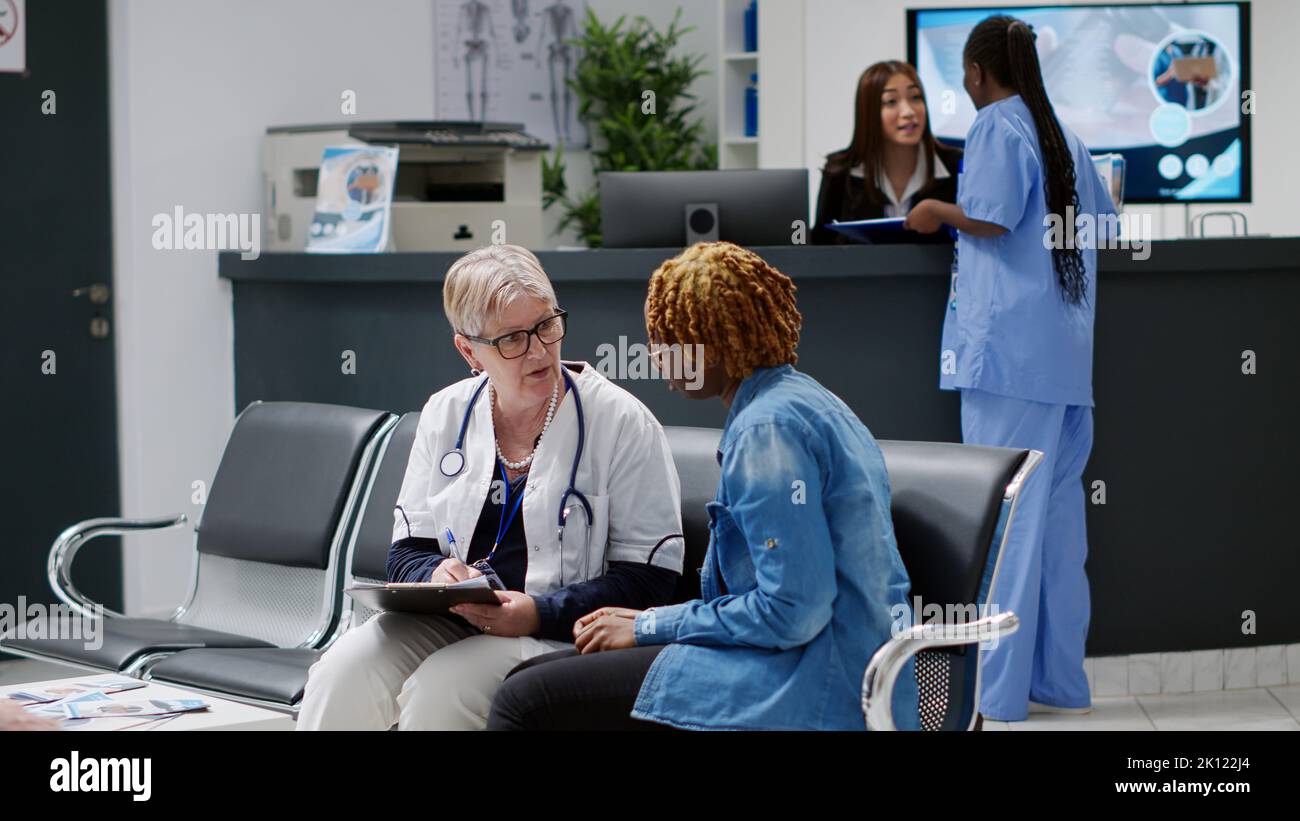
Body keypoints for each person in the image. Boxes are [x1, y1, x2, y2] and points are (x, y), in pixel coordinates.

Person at [487, 241, 921, 731]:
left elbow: (792, 611)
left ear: (712, 343)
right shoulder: (805, 402)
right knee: (533, 680)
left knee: (523, 701)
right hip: (825, 668)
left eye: (668, 338)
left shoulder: (766, 433)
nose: (654, 355)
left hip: (810, 684)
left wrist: (650, 624)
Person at [296, 244, 685, 730]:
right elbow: (406, 550)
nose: (539, 350)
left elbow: (650, 583)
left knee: (444, 690)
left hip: (559, 633)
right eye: (511, 339)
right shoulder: (445, 413)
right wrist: (437, 575)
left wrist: (537, 613)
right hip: (451, 618)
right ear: (468, 350)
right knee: (342, 671)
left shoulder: (622, 423)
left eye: (546, 325)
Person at [904, 15, 1117, 722]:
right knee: (1056, 526)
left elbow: (992, 217)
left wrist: (935, 209)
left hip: (1007, 361)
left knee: (1005, 523)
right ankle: (1059, 682)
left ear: (974, 72)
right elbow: (1106, 226)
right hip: (1063, 363)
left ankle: (994, 694)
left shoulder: (998, 124)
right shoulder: (1067, 138)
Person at [812, 60, 962, 245]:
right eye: (891, 102)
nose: (908, 111)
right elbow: (818, 247)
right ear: (869, 113)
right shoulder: (840, 172)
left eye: (915, 97)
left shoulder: (956, 166)